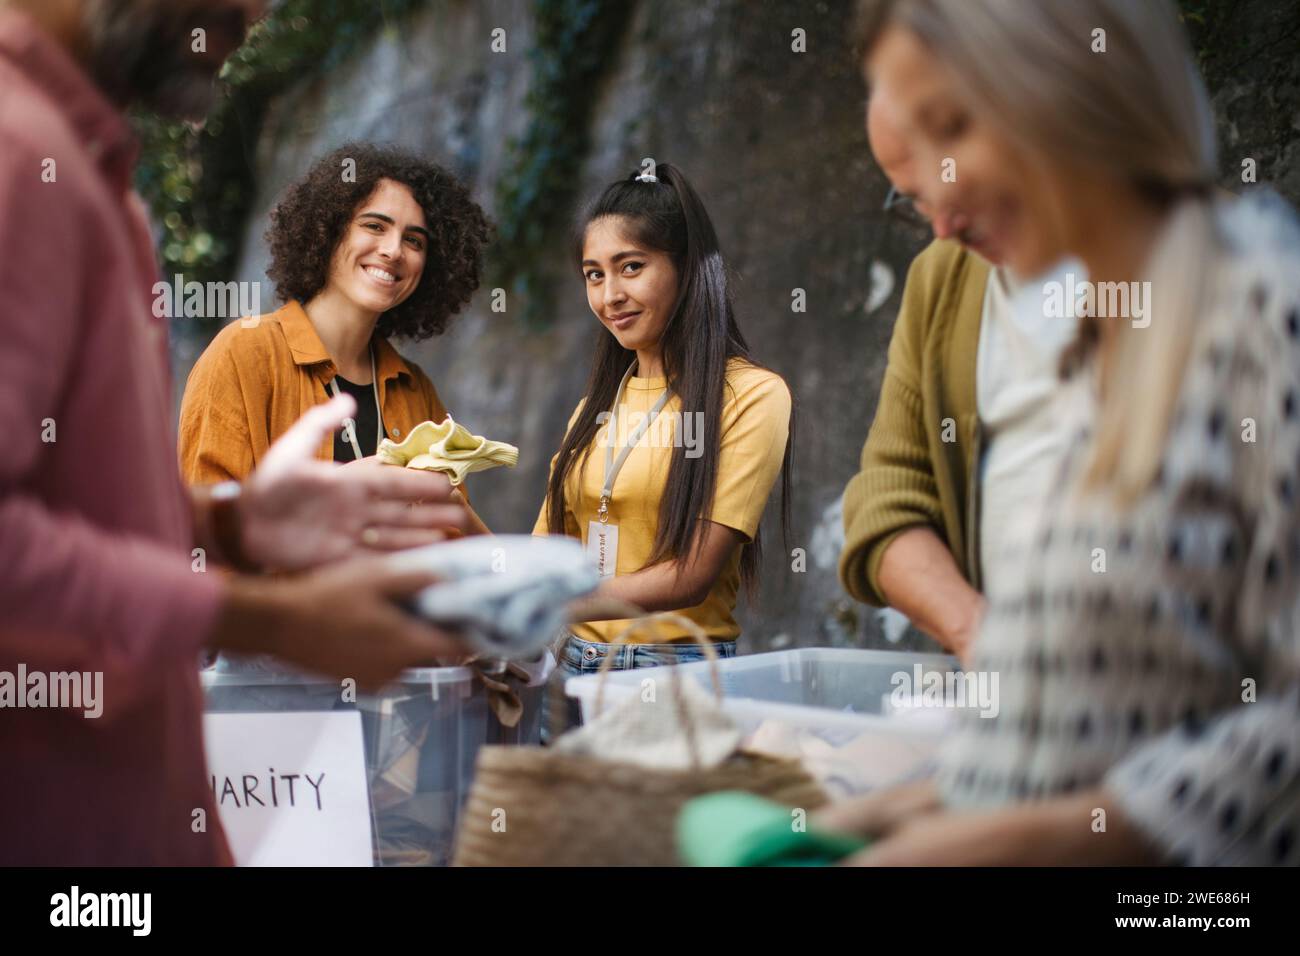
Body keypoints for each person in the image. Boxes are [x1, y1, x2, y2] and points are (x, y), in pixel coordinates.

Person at [819, 0, 1300, 866]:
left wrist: (1011, 841)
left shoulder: (1262, 310)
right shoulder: (1108, 345)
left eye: (953, 126)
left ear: (1073, 74)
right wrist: (916, 809)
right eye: (916, 172)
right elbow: (1101, 724)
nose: (943, 208)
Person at [0, 0, 470, 865]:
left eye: (416, 240)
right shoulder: (21, 154)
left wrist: (228, 522)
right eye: (374, 227)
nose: (256, 13)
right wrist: (269, 614)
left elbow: (73, 511)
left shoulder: (78, 166)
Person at [838, 93, 1078, 663]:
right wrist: (978, 636)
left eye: (956, 185)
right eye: (918, 199)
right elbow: (887, 493)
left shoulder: (1213, 272)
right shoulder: (941, 278)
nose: (944, 227)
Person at [535, 163, 793, 681]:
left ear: (688, 267)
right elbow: (543, 554)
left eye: (631, 267)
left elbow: (689, 577)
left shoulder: (751, 394)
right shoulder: (594, 408)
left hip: (673, 676)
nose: (609, 296)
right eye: (594, 274)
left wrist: (538, 608)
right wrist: (450, 499)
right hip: (570, 665)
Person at [179, 143, 493, 534]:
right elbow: (204, 537)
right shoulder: (243, 353)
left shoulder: (416, 391)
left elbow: (456, 551)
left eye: (414, 240)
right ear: (327, 232)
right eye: (374, 226)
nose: (394, 250)